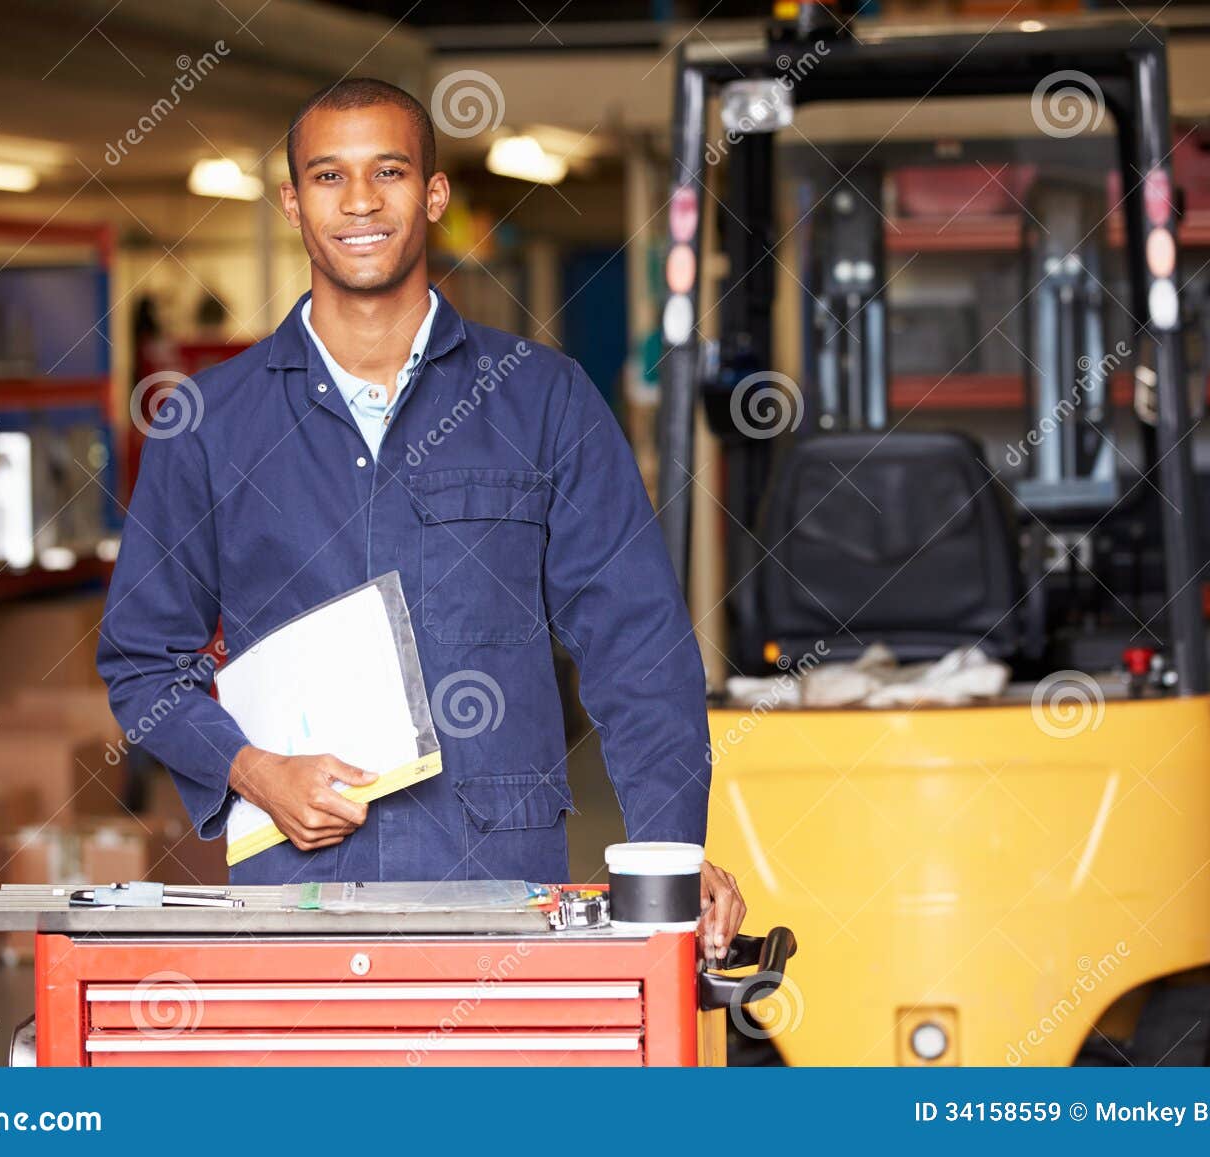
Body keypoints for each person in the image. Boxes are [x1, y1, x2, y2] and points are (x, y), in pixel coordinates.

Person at [96, 78, 745, 953]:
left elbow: (639, 645)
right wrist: (250, 770)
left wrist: (672, 851)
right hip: (299, 902)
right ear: (292, 202)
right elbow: (143, 661)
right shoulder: (210, 424)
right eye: (328, 176)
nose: (360, 200)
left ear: (434, 194)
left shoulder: (542, 402)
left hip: (500, 892)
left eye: (389, 171)